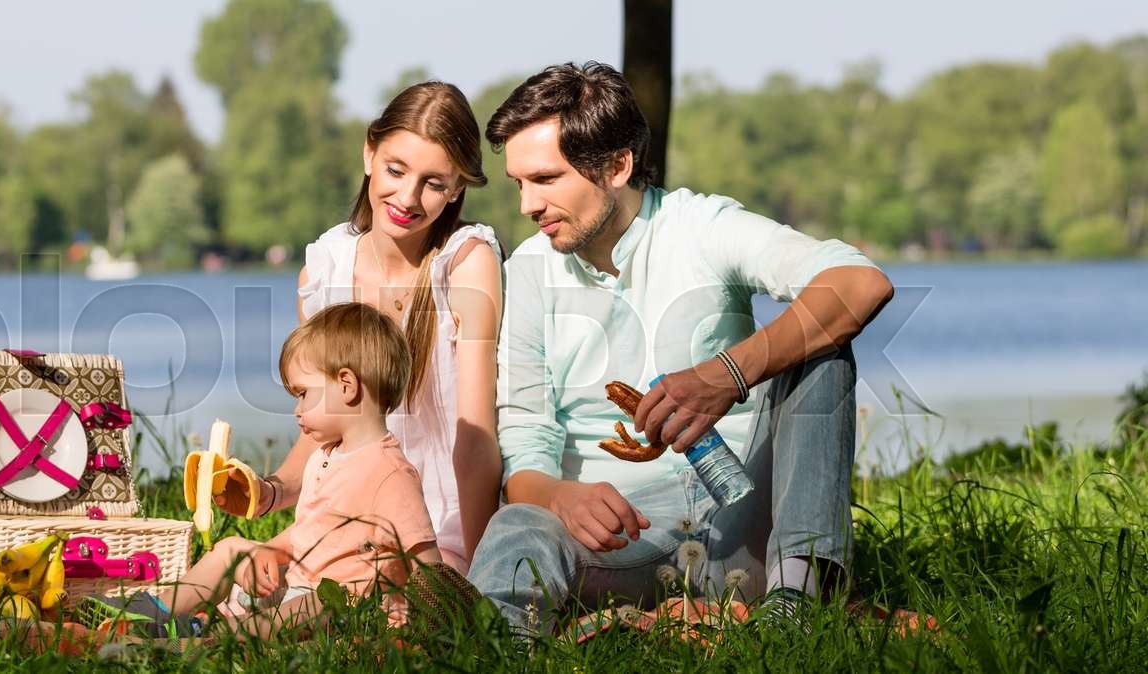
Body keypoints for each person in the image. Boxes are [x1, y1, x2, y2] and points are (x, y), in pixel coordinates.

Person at [466, 62, 896, 634]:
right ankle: (501, 644)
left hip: (742, 527)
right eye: (519, 183)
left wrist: (727, 375)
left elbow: (860, 283)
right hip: (617, 540)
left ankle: (794, 608)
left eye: (545, 179)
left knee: (822, 352)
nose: (527, 205)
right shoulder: (526, 272)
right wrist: (559, 496)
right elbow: (525, 447)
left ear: (617, 166)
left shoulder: (700, 226)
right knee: (517, 523)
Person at [217, 82, 504, 573]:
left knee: (346, 607)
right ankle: (140, 631)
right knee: (234, 573)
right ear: (369, 153)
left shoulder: (464, 264)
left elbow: (474, 437)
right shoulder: (325, 272)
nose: (408, 197)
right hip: (350, 519)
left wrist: (479, 581)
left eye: (434, 183)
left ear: (457, 188)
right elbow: (329, 425)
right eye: (396, 169)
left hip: (439, 528)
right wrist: (269, 492)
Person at [91, 303, 441, 639]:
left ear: (347, 386)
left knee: (320, 603)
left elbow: (428, 563)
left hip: (339, 608)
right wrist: (269, 552)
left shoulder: (390, 474)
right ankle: (159, 610)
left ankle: (212, 634)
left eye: (303, 394)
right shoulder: (327, 456)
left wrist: (419, 618)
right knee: (231, 549)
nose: (297, 410)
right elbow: (310, 531)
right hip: (298, 582)